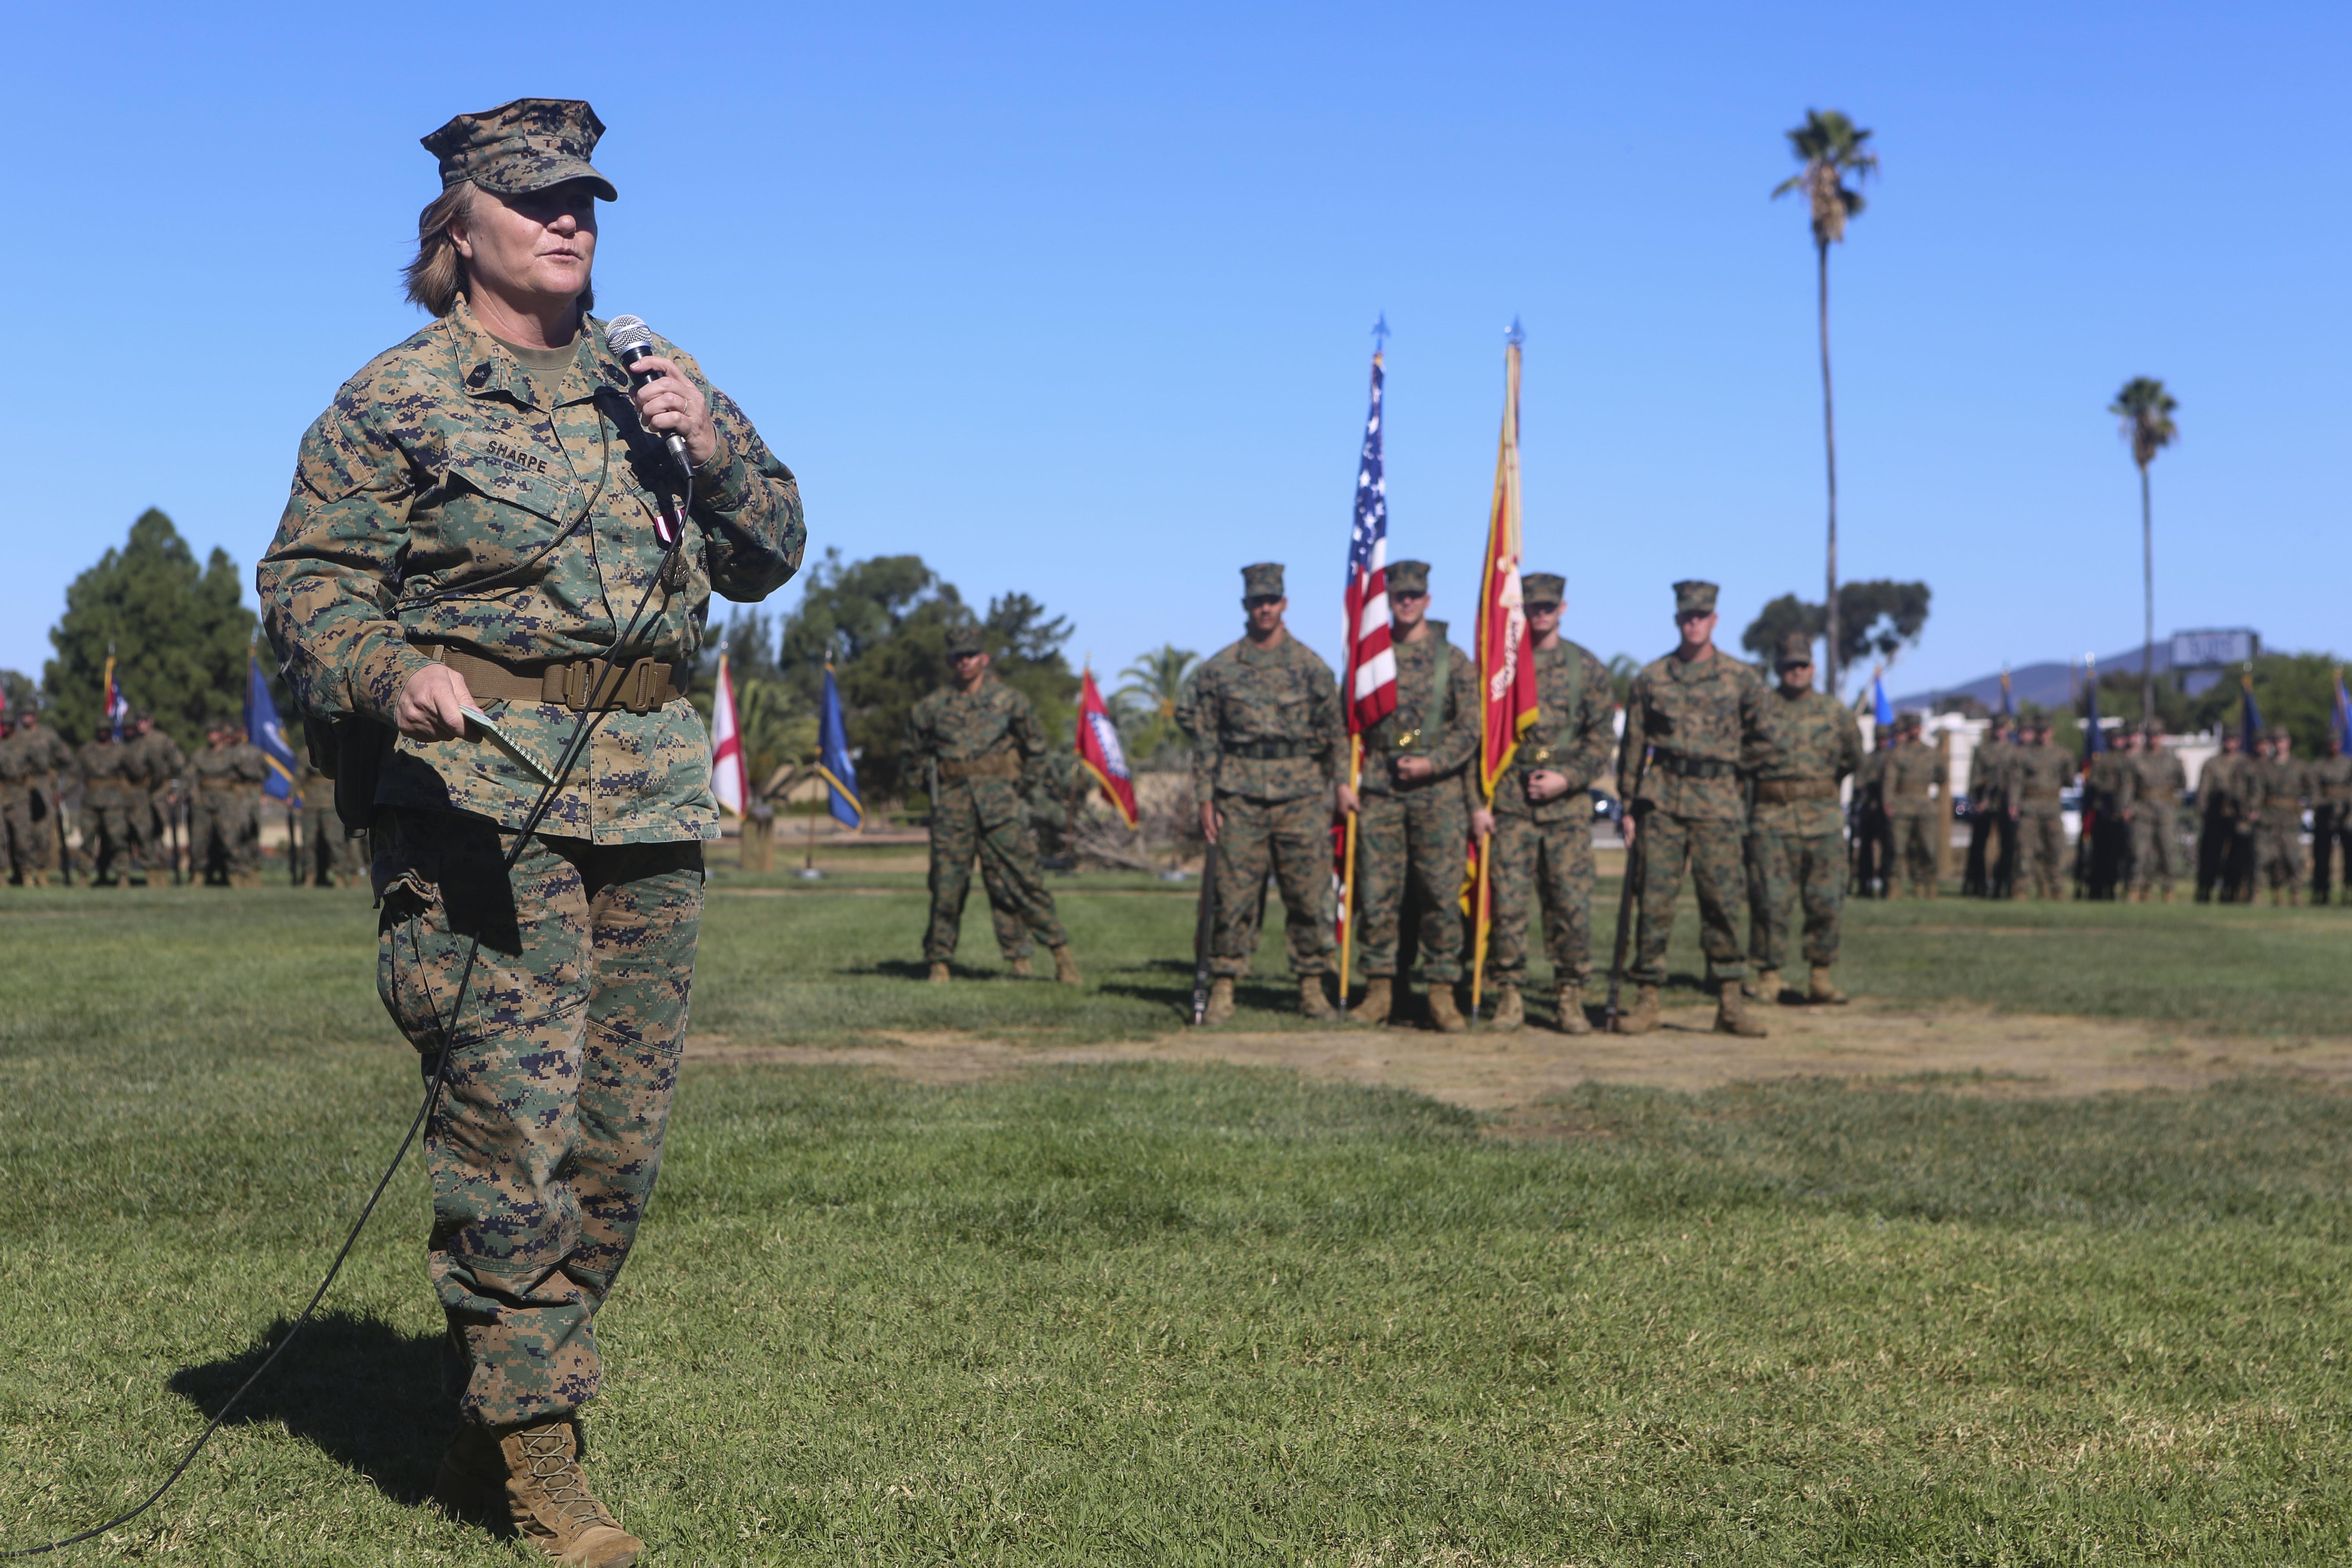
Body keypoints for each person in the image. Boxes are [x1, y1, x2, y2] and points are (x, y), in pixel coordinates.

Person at [257, 98, 804, 1565]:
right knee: (509, 1137)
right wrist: (389, 673)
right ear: (462, 230)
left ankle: (481, 1417)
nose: (570, 219)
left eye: (584, 199)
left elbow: (770, 552)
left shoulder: (652, 379)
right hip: (479, 797)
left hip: (645, 788)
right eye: (537, 200)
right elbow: (308, 586)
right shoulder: (396, 398)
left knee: (612, 1161)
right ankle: (546, 1466)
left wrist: (713, 443)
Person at [1174, 563, 1350, 1024]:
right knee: (1231, 896)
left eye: (1272, 600)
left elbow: (1335, 735)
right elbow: (1206, 739)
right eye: (1257, 601)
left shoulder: (1312, 668)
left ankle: (1312, 986)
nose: (1265, 608)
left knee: (1310, 895)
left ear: (1284, 604)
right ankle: (1225, 985)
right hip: (1240, 794)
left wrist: (1343, 784)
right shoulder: (1220, 670)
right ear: (1246, 606)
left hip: (1302, 796)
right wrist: (1207, 799)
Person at [1615, 579, 1773, 1037]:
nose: (1695, 623)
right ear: (1677, 620)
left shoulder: (1741, 678)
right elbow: (1634, 745)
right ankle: (1647, 999)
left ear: (1715, 620)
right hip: (1662, 801)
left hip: (1718, 803)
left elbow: (1767, 738)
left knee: (1722, 903)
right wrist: (1628, 805)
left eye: (1702, 616)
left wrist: (1733, 766)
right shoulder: (1651, 677)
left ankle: (1728, 1002)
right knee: (1656, 903)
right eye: (1687, 616)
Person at [1347, 560, 1482, 1032]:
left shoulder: (1454, 659)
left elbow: (1470, 729)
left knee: (1439, 896)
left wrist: (1433, 763)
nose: (1406, 603)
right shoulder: (1372, 659)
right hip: (1382, 790)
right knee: (1380, 895)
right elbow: (1350, 720)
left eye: (1414, 596)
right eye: (1398, 596)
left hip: (1438, 793)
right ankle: (1381, 990)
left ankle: (1443, 992)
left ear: (1427, 600)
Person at [905, 624, 1080, 985]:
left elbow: (1036, 749)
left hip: (1001, 806)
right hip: (953, 808)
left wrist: (1020, 789)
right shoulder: (931, 707)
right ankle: (939, 961)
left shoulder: (1010, 701)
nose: (964, 662)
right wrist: (931, 786)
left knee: (1023, 882)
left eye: (970, 656)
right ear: (950, 661)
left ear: (984, 658)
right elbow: (911, 757)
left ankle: (1059, 955)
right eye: (957, 657)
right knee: (947, 887)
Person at [1482, 573, 1615, 1033]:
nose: (1540, 614)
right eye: (1532, 607)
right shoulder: (1502, 666)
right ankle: (1509, 995)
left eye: (1548, 607)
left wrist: (1567, 778)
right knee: (1510, 907)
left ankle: (1570, 997)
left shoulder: (1588, 668)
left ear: (1563, 608)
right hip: (1512, 804)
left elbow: (1601, 741)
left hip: (1567, 809)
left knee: (1570, 906)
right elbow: (1479, 731)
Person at [1744, 632, 1865, 1004]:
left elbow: (1853, 759)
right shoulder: (1761, 711)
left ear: (1813, 668)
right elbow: (1744, 760)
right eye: (1788, 666)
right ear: (1779, 670)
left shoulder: (1835, 713)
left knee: (1826, 900)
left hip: (1823, 820)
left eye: (1801, 665)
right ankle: (1769, 976)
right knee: (1770, 901)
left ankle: (1820, 976)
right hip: (1772, 819)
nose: (1795, 672)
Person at [6, 710, 74, 886]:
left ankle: (42, 872)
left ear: (36, 716)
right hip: (18, 789)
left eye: (30, 714)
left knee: (42, 833)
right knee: (19, 833)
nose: (26, 717)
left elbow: (67, 758)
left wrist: (53, 772)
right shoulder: (15, 737)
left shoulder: (48, 735)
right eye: (24, 714)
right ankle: (21, 873)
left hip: (42, 786)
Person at [2010, 717, 2072, 900]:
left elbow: (2069, 780)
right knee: (2025, 849)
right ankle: (2022, 888)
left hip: (2052, 807)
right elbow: (2016, 782)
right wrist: (2014, 804)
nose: (2044, 735)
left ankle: (2055, 887)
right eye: (2040, 731)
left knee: (2055, 848)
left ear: (2052, 731)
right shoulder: (2024, 755)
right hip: (2030, 806)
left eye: (2047, 731)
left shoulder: (2063, 754)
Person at [2248, 726, 2309, 904]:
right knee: (2264, 858)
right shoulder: (2264, 767)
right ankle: (2261, 893)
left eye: (2282, 740)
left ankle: (2296, 893)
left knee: (2292, 858)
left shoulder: (2299, 766)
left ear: (2288, 742)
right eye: (2276, 741)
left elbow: (2310, 788)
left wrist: (2306, 805)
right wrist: (2254, 809)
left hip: (2290, 819)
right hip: (2269, 818)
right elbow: (2257, 791)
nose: (2279, 744)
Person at [1884, 712, 1942, 898]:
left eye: (1918, 727)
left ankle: (1927, 884)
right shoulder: (1898, 753)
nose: (1915, 731)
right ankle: (1895, 886)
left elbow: (1942, 777)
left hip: (1924, 805)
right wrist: (1888, 803)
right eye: (1912, 727)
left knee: (1928, 848)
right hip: (1902, 804)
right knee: (1898, 849)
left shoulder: (1931, 753)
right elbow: (1889, 781)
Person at [75, 720, 140, 886]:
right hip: (91, 802)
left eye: (106, 730)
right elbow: (74, 774)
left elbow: (136, 772)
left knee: (118, 839)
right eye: (100, 730)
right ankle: (84, 876)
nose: (103, 733)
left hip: (115, 803)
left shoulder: (121, 751)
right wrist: (61, 793)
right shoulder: (86, 751)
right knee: (88, 839)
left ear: (111, 731)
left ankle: (123, 875)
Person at [2128, 723, 2187, 902]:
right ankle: (2137, 888)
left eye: (2157, 735)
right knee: (2140, 852)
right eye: (2150, 735)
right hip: (2143, 809)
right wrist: (2127, 807)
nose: (2154, 739)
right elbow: (2129, 786)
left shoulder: (2171, 759)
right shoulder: (2136, 760)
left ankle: (2168, 890)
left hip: (2165, 810)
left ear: (2162, 736)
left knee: (2167, 851)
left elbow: (2182, 783)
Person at [126, 712, 188, 882]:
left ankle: (160, 871)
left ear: (151, 721)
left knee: (155, 833)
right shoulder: (132, 743)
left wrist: (174, 791)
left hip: (158, 793)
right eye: (138, 721)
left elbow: (179, 765)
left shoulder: (163, 741)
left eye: (145, 721)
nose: (141, 725)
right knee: (138, 833)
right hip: (136, 794)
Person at [2195, 731, 2247, 903]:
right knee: (2210, 857)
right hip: (2216, 816)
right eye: (2227, 739)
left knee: (2236, 859)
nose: (2230, 743)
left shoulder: (2245, 763)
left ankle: (2231, 892)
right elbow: (2203, 790)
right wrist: (2203, 810)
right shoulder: (2212, 763)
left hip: (2238, 817)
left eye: (2233, 739)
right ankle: (2205, 891)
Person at [1850, 723, 1893, 898]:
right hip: (1869, 809)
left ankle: (1886, 887)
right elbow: (1858, 782)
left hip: (1885, 810)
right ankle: (1865, 887)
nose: (1882, 741)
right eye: (1880, 738)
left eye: (1885, 738)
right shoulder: (1867, 759)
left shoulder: (1892, 758)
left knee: (1888, 851)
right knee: (1865, 851)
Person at [2309, 731, 2352, 906]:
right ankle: (2321, 892)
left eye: (2336, 742)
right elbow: (2314, 791)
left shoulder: (2348, 764)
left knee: (2350, 857)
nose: (2334, 746)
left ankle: (2348, 891)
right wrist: (2322, 803)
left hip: (2347, 815)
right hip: (2325, 815)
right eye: (2331, 743)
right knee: (2321, 856)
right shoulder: (2318, 765)